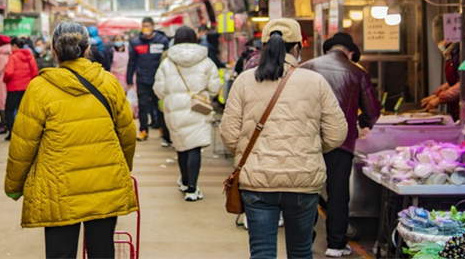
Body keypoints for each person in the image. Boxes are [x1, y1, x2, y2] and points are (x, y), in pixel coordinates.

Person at [4, 22, 138, 259]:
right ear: (87, 49)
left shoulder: (39, 88)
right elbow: (127, 135)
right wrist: (121, 169)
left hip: (57, 188)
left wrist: (14, 186)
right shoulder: (109, 83)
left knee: (60, 253)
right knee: (102, 251)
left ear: (54, 52)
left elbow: (23, 144)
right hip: (104, 182)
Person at [220, 18, 348, 259]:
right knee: (301, 252)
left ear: (263, 47)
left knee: (262, 253)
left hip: (256, 182)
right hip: (303, 181)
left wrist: (249, 152)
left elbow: (228, 132)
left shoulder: (244, 81)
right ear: (297, 48)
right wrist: (310, 148)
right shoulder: (315, 81)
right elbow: (337, 133)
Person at [302, 32, 381, 257]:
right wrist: (360, 124)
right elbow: (373, 114)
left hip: (308, 140)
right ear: (351, 53)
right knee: (338, 194)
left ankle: (305, 240)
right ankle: (336, 245)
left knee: (308, 190)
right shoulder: (358, 72)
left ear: (328, 49)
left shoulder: (306, 68)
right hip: (341, 141)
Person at [153, 26, 221, 201]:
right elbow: (214, 87)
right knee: (195, 146)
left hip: (175, 108)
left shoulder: (168, 62)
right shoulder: (206, 61)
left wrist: (172, 97)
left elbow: (159, 88)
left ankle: (184, 181)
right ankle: (192, 188)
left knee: (181, 145)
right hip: (197, 107)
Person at [421, 15, 465, 120]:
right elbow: (456, 79)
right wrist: (436, 95)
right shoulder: (453, 52)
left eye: (442, 40)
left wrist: (439, 99)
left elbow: (464, 86)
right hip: (462, 109)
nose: (440, 45)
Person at [127, 17, 170, 143]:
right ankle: (143, 130)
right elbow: (132, 62)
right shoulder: (135, 43)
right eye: (144, 25)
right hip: (142, 79)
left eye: (148, 25)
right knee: (143, 106)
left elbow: (166, 60)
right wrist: (129, 79)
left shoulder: (162, 41)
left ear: (153, 26)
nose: (146, 28)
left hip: (159, 80)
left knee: (160, 106)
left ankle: (163, 129)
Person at [3, 37, 39, 141]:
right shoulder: (29, 55)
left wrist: (5, 80)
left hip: (14, 88)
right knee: (24, 111)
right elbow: (34, 71)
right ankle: (26, 132)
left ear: (14, 45)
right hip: (26, 87)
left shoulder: (13, 57)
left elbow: (8, 73)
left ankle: (12, 132)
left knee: (9, 110)